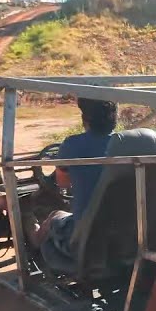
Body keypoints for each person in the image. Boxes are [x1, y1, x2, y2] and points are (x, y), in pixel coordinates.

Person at [33, 97, 119, 257]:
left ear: (85, 119)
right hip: (122, 228)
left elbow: (63, 183)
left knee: (53, 217)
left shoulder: (72, 145)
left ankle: (33, 250)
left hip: (87, 234)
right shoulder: (125, 144)